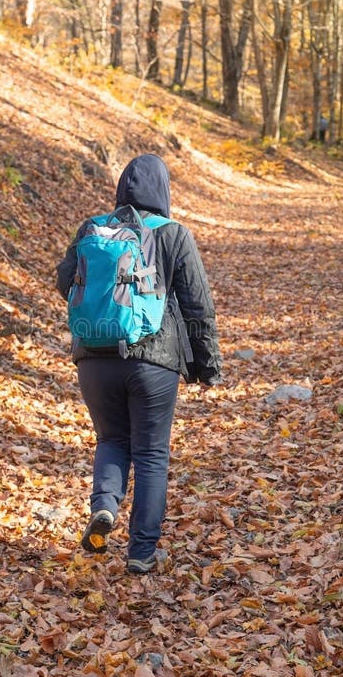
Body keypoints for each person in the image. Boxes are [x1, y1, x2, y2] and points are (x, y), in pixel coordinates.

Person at [56, 153, 222, 574]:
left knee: (112, 440)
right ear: (164, 191)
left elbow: (64, 282)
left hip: (94, 358)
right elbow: (197, 305)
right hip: (155, 361)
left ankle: (106, 506)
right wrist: (208, 366)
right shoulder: (173, 234)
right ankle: (142, 552)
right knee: (151, 454)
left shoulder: (94, 228)